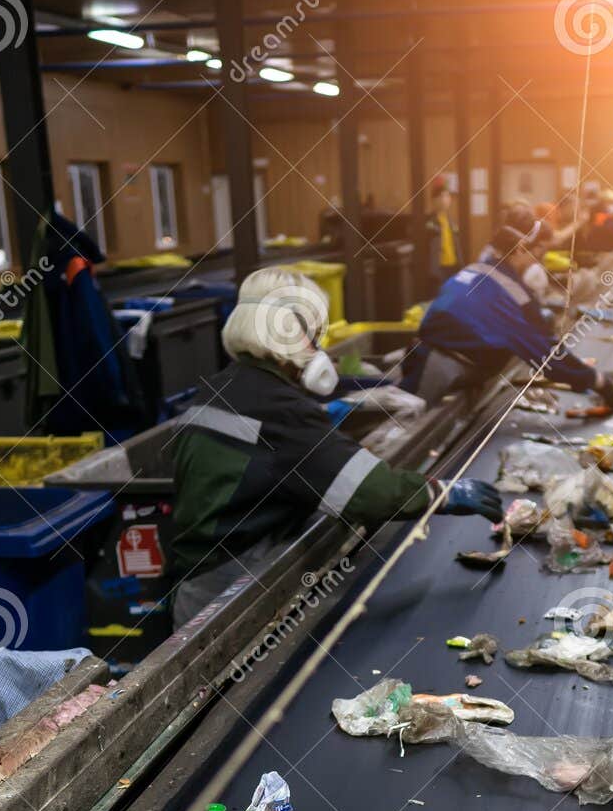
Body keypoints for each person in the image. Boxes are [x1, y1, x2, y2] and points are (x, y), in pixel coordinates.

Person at [170, 268, 501, 626]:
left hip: (196, 584)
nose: (319, 349)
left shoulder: (220, 388)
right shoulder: (280, 409)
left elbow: (264, 453)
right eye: (315, 337)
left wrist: (322, 417)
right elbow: (370, 492)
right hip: (232, 595)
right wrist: (443, 493)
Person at [401, 205, 613, 403]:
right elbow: (550, 358)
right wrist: (600, 382)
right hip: (441, 369)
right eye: (538, 253)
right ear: (521, 249)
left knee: (401, 412)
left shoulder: (476, 269)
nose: (539, 260)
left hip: (419, 355)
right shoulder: (514, 295)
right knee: (402, 431)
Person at [426, 179, 462, 289]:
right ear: (433, 200)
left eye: (446, 196)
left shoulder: (452, 222)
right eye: (440, 196)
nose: (444, 200)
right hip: (437, 271)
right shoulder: (428, 222)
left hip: (453, 268)